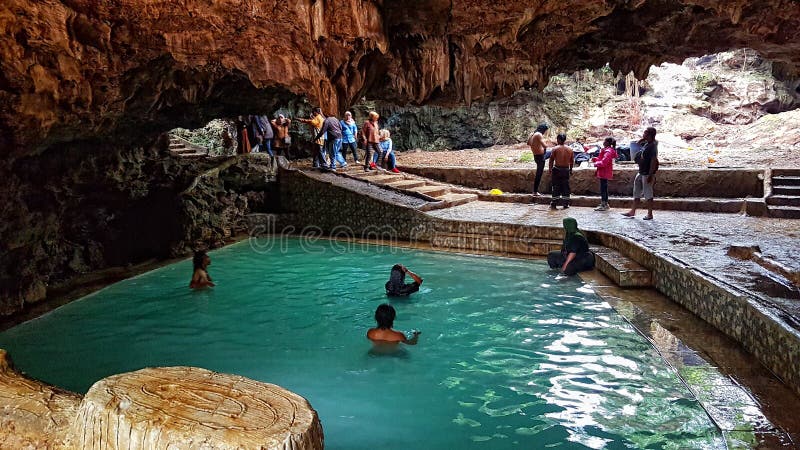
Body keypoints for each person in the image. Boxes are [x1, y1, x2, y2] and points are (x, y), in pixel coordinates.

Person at [622, 127, 659, 220]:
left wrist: (650, 175)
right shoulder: (647, 144)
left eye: (645, 133)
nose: (643, 134)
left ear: (650, 135)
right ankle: (632, 211)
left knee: (648, 194)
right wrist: (642, 140)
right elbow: (637, 146)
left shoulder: (653, 146)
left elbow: (653, 160)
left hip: (647, 173)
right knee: (636, 192)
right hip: (641, 171)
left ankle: (650, 214)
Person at [548, 133, 573, 210]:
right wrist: (571, 170)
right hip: (566, 170)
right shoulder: (570, 149)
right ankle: (566, 204)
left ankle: (554, 204)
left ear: (558, 139)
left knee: (556, 187)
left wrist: (550, 169)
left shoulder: (555, 149)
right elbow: (572, 161)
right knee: (566, 187)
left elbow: (551, 160)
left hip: (557, 170)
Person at [592, 137, 618, 211]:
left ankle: (604, 204)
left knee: (603, 188)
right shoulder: (608, 151)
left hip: (604, 171)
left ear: (607, 143)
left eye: (604, 141)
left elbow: (604, 162)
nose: (603, 142)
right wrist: (596, 159)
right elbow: (603, 159)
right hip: (604, 171)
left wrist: (596, 163)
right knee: (604, 188)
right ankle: (604, 203)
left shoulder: (608, 152)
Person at [527, 123, 549, 195]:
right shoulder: (539, 135)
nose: (546, 132)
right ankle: (535, 191)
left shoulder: (533, 134)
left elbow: (528, 143)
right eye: (546, 130)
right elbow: (545, 146)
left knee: (553, 152)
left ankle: (535, 191)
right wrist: (546, 142)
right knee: (539, 174)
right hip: (540, 156)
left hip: (536, 156)